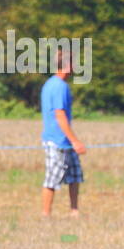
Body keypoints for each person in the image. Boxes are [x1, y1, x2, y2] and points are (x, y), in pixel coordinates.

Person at [40, 54, 86, 217]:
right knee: (52, 178)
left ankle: (74, 211)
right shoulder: (59, 86)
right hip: (57, 140)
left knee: (74, 176)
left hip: (65, 141)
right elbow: (60, 115)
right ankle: (46, 213)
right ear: (66, 66)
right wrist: (75, 141)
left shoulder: (51, 84)